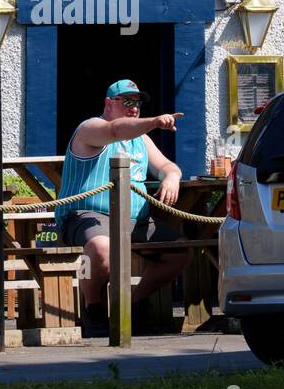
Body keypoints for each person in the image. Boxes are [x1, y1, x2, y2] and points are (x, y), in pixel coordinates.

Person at [57, 79, 189, 337]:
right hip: (85, 217)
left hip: (134, 220)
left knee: (181, 251)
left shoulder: (141, 139)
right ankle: (93, 308)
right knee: (100, 248)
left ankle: (133, 306)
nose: (134, 107)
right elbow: (116, 131)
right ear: (108, 103)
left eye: (137, 102)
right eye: (127, 101)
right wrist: (155, 121)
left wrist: (172, 176)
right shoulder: (89, 128)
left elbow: (167, 166)